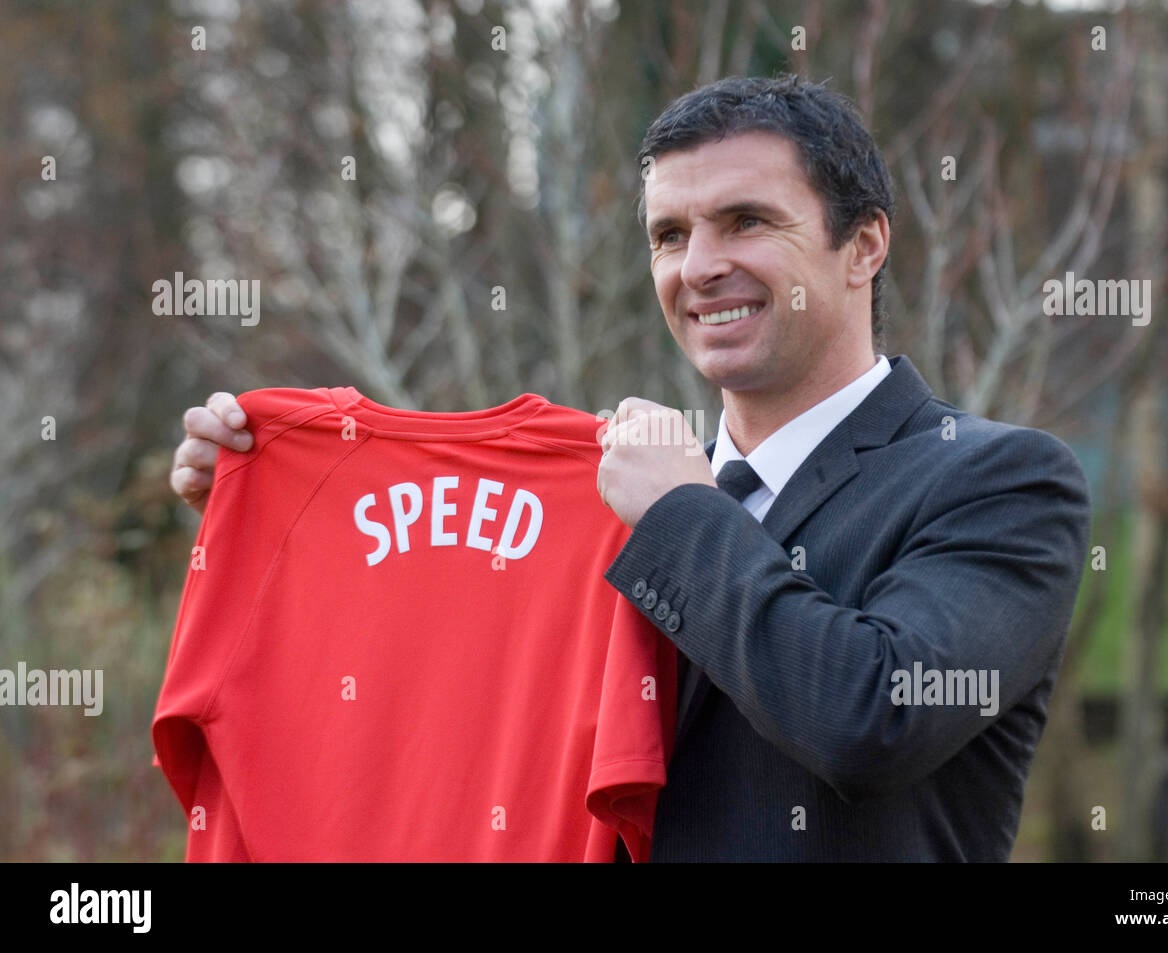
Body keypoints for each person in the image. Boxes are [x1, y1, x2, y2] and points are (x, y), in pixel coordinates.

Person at [170, 74, 1090, 861]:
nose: (700, 266)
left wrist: (684, 516)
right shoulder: (603, 497)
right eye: (669, 234)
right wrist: (269, 521)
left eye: (746, 221)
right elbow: (431, 695)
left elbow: (873, 716)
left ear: (865, 246)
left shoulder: (999, 481)